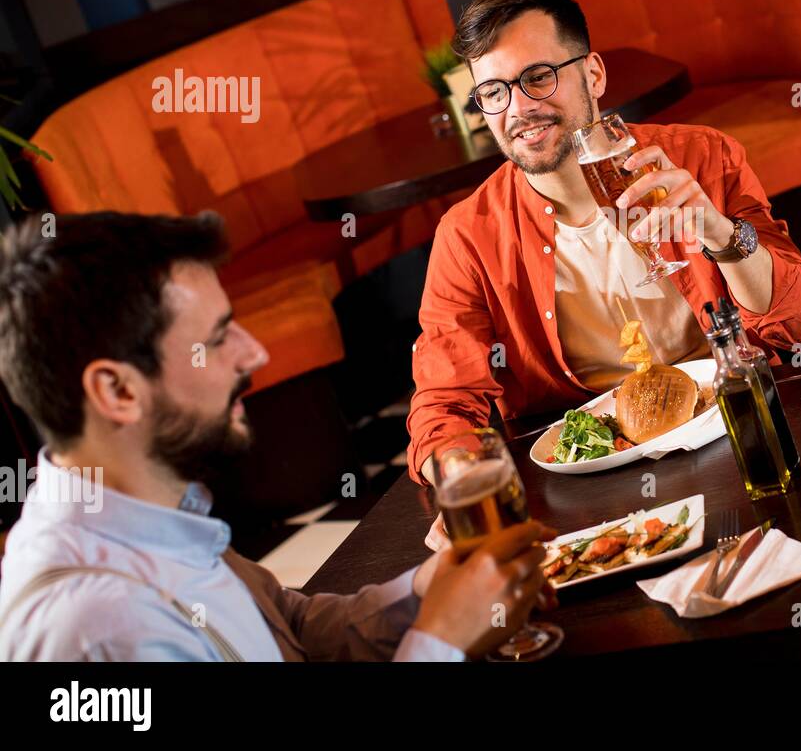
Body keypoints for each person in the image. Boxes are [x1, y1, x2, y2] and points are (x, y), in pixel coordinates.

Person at [0, 211, 555, 661]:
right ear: (117, 391)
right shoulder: (98, 630)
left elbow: (289, 628)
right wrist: (441, 642)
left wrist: (425, 593)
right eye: (217, 340)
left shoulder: (150, 514)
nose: (256, 353)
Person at [407, 0, 801, 484]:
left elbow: (799, 327)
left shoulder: (701, 157)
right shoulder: (468, 236)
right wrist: (465, 487)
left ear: (594, 74)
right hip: (597, 472)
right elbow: (444, 405)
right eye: (494, 92)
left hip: (742, 424)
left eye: (538, 77)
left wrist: (719, 233)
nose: (518, 109)